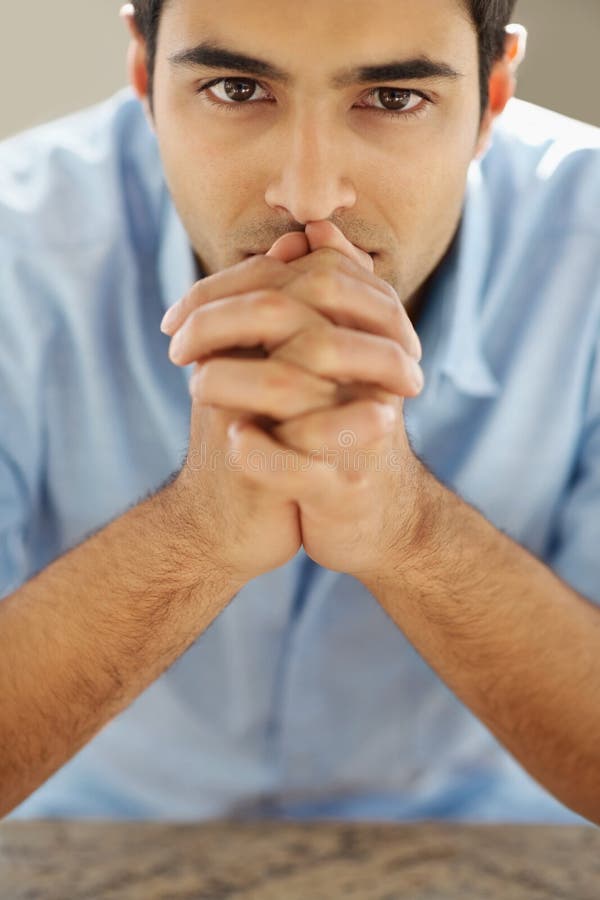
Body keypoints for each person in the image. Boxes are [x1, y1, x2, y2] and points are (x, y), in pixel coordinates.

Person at [1, 0, 599, 825]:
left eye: (393, 98)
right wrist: (195, 532)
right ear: (143, 75)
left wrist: (409, 530)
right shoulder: (16, 248)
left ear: (494, 93)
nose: (309, 194)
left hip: (492, 841)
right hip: (96, 835)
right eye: (236, 89)